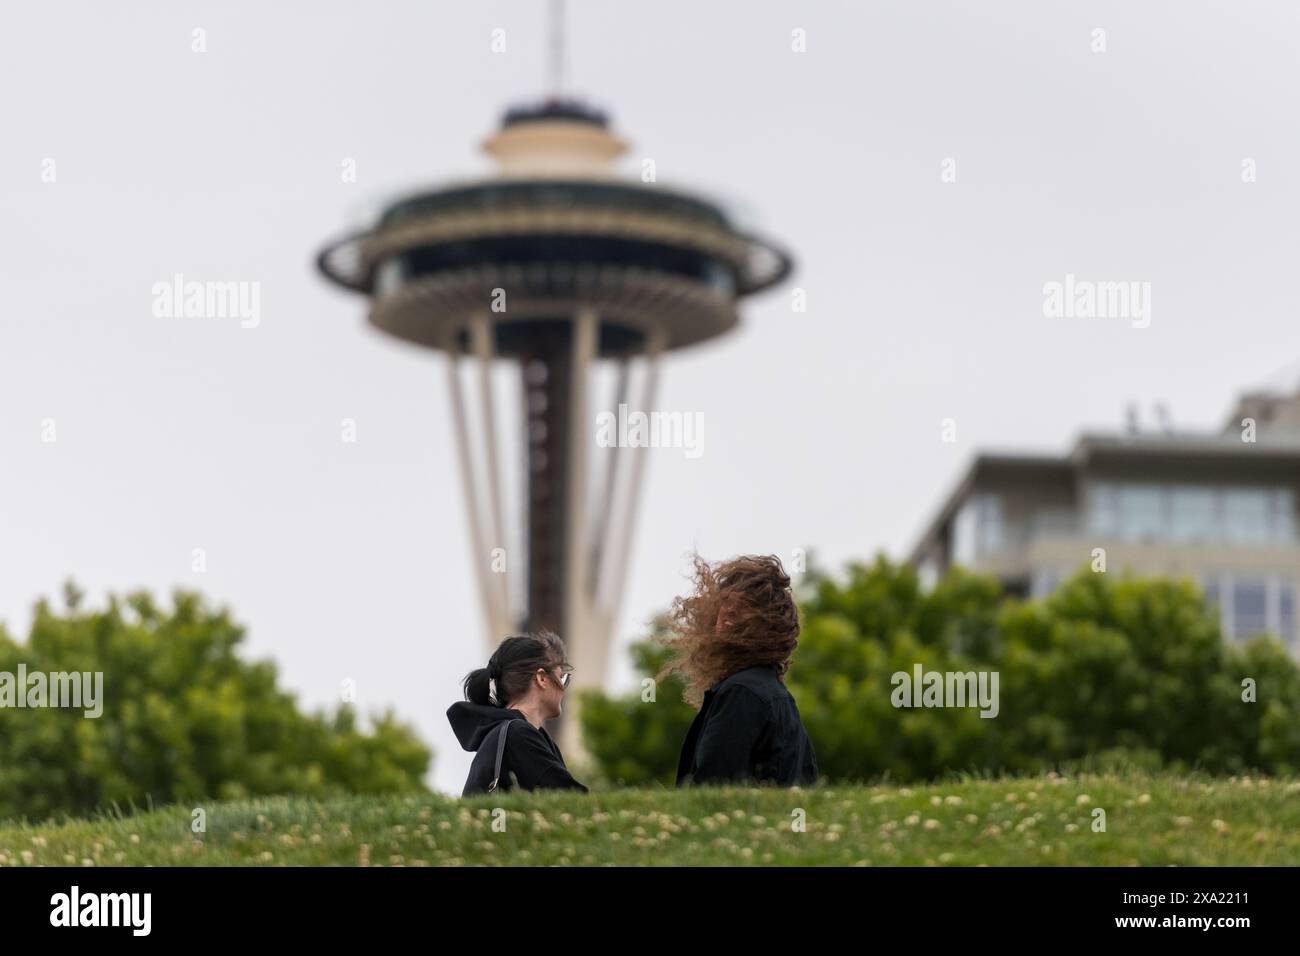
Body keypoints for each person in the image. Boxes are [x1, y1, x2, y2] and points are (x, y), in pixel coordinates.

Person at [663, 554, 818, 787]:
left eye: (744, 608)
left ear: (769, 627)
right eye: (726, 603)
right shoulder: (773, 695)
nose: (727, 613)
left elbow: (712, 792)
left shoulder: (742, 692)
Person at [447, 631, 588, 796]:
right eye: (562, 678)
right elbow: (571, 798)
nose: (564, 688)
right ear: (541, 678)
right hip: (499, 823)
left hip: (497, 823)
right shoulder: (517, 735)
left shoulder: (515, 734)